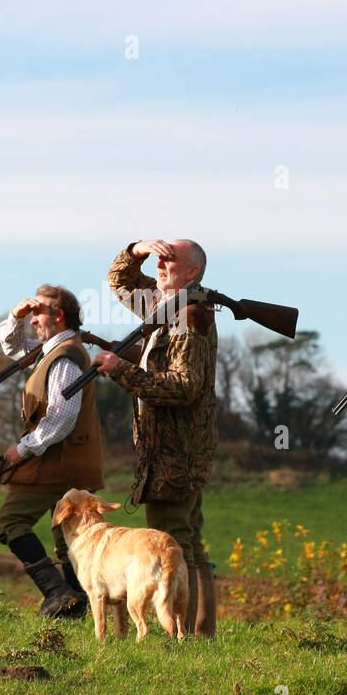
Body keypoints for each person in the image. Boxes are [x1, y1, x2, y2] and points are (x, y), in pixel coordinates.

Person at [92, 239, 218, 637]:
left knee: (172, 542)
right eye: (159, 259)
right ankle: (200, 633)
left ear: (193, 273)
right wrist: (136, 249)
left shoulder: (189, 317)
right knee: (189, 542)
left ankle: (186, 634)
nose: (160, 265)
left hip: (176, 450)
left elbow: (184, 387)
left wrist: (121, 371)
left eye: (169, 259)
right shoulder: (164, 306)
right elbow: (119, 280)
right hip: (168, 448)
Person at [0, 286, 104, 618]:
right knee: (66, 538)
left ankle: (58, 595)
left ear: (58, 317)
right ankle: (75, 604)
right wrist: (15, 315)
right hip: (67, 462)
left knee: (11, 522)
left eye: (38, 313)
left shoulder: (65, 358)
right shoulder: (53, 350)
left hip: (53, 461)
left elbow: (60, 417)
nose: (33, 320)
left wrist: (22, 450)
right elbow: (14, 347)